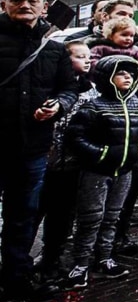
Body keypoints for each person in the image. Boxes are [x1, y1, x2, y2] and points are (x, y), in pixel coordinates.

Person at [0, 0, 80, 300]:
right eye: (17, 0)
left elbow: (69, 90)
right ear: (5, 4)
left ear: (44, 7)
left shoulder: (55, 50)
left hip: (31, 148)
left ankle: (16, 278)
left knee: (23, 216)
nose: (25, 6)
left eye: (32, 0)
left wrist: (59, 106)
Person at [63, 55, 138, 288]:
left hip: (124, 170)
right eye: (121, 73)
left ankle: (105, 257)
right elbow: (76, 136)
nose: (128, 77)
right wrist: (102, 153)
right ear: (107, 78)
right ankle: (81, 263)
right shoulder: (94, 106)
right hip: (97, 172)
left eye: (131, 74)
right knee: (90, 218)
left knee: (112, 216)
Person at [33, 40, 96, 283]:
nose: (87, 60)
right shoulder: (49, 88)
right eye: (80, 56)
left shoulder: (93, 91)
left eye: (88, 56)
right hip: (44, 163)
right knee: (33, 214)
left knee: (61, 219)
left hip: (72, 166)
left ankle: (51, 259)